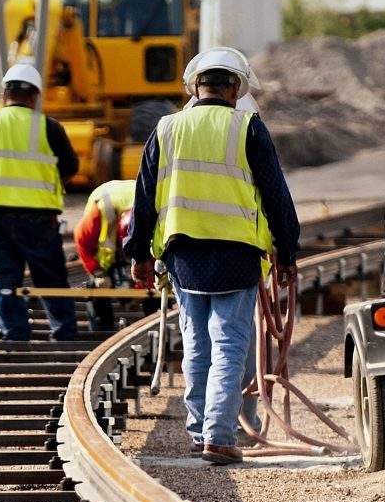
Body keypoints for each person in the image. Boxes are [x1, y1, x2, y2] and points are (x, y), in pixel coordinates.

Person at [124, 47, 300, 465]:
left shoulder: (166, 128)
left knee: (197, 345)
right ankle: (219, 436)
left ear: (194, 87)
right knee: (229, 344)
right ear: (236, 88)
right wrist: (287, 251)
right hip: (236, 253)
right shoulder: (247, 127)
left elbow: (144, 196)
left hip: (183, 254)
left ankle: (200, 430)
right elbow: (275, 195)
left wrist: (139, 254)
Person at [0, 60, 81, 341]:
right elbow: (71, 168)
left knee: (5, 282)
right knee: (51, 279)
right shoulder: (50, 127)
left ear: (3, 95)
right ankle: (64, 334)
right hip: (39, 218)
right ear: (35, 96)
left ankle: (15, 337)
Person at [74, 179, 136, 331]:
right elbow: (81, 240)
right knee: (99, 286)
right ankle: (101, 329)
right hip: (104, 201)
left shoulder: (153, 216)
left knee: (152, 288)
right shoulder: (99, 213)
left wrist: (141, 287)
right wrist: (98, 272)